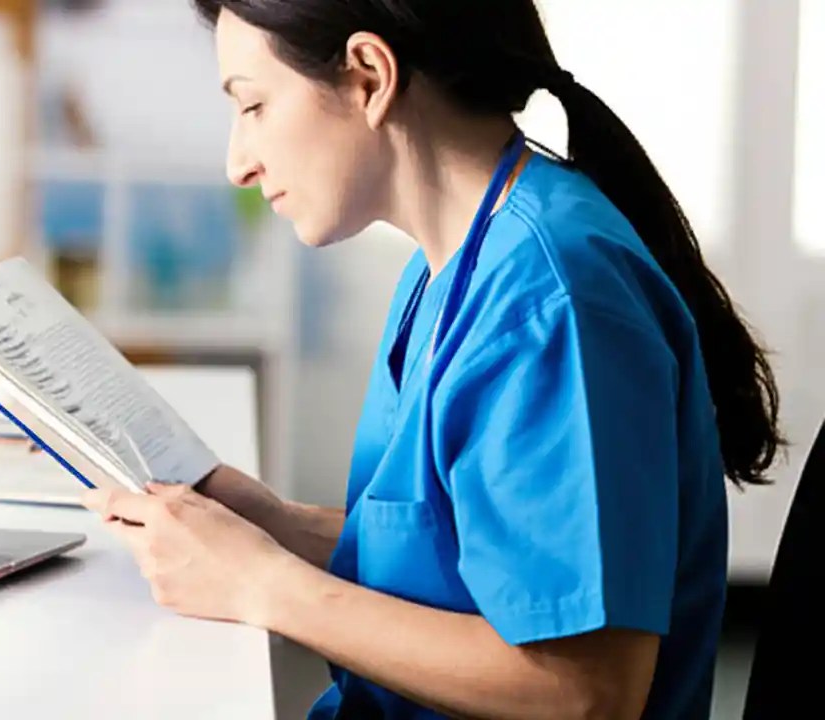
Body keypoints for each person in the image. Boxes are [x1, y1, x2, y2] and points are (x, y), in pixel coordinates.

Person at [80, 1, 786, 718]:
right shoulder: (454, 262)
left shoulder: (551, 302)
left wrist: (263, 585)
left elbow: (585, 691)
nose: (239, 163)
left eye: (254, 105)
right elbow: (453, 555)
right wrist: (273, 524)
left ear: (368, 76)